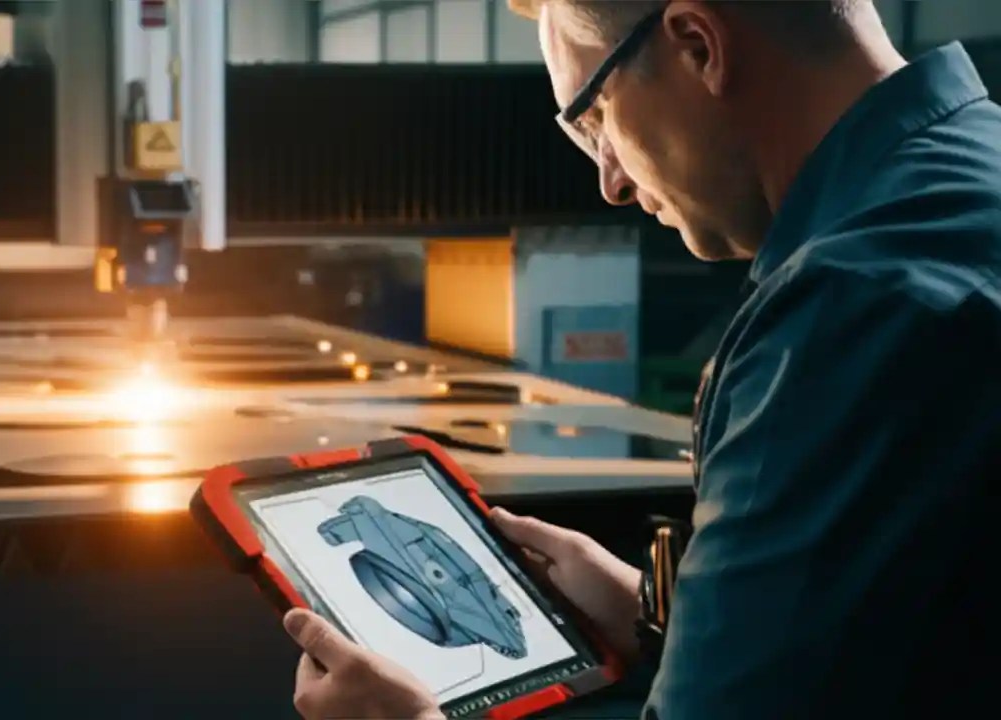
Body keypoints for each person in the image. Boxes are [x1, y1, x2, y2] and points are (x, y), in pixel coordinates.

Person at [283, 1, 1001, 718]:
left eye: (594, 119)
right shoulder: (972, 175)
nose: (612, 181)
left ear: (697, 45)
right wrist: (660, 617)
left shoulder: (847, 315)